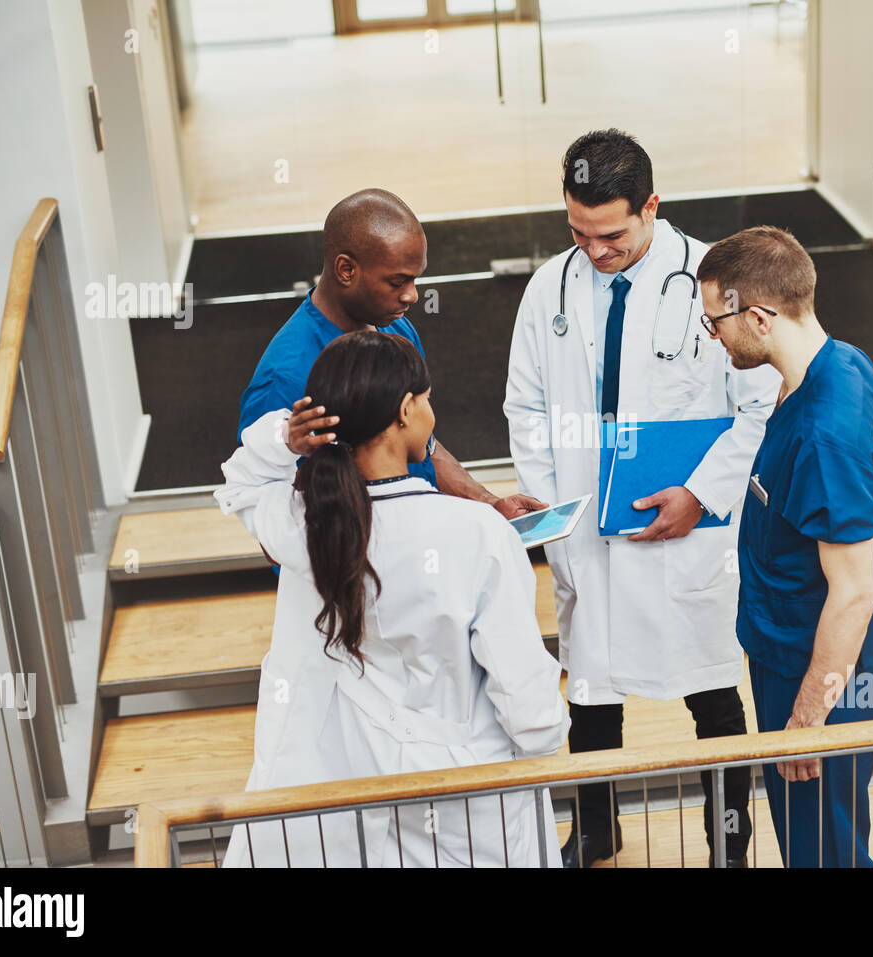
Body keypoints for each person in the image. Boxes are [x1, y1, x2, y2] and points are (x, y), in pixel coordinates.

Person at [504, 130, 781, 867]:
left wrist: (700, 494)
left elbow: (760, 406)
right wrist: (547, 505)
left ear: (652, 205)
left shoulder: (713, 282)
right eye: (578, 232)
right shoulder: (549, 288)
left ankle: (730, 844)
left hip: (689, 536)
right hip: (586, 534)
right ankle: (596, 827)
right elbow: (525, 406)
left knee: (715, 694)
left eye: (612, 234)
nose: (594, 251)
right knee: (590, 693)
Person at [217, 330, 570, 867]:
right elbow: (527, 701)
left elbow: (241, 483)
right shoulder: (476, 533)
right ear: (405, 411)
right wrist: (544, 740)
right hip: (466, 798)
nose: (431, 411)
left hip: (351, 793)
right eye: (426, 399)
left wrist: (285, 440)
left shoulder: (301, 528)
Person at [695, 226, 873, 868]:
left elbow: (855, 591)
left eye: (716, 323)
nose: (714, 338)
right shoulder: (838, 362)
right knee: (828, 842)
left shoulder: (823, 431)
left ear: (758, 317)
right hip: (795, 656)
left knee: (824, 854)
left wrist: (806, 723)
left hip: (815, 678)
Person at [239, 187, 544, 519]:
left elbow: (418, 442)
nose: (411, 295)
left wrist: (488, 503)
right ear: (345, 270)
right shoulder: (284, 380)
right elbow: (272, 514)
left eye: (415, 279)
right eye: (398, 282)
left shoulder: (395, 329)